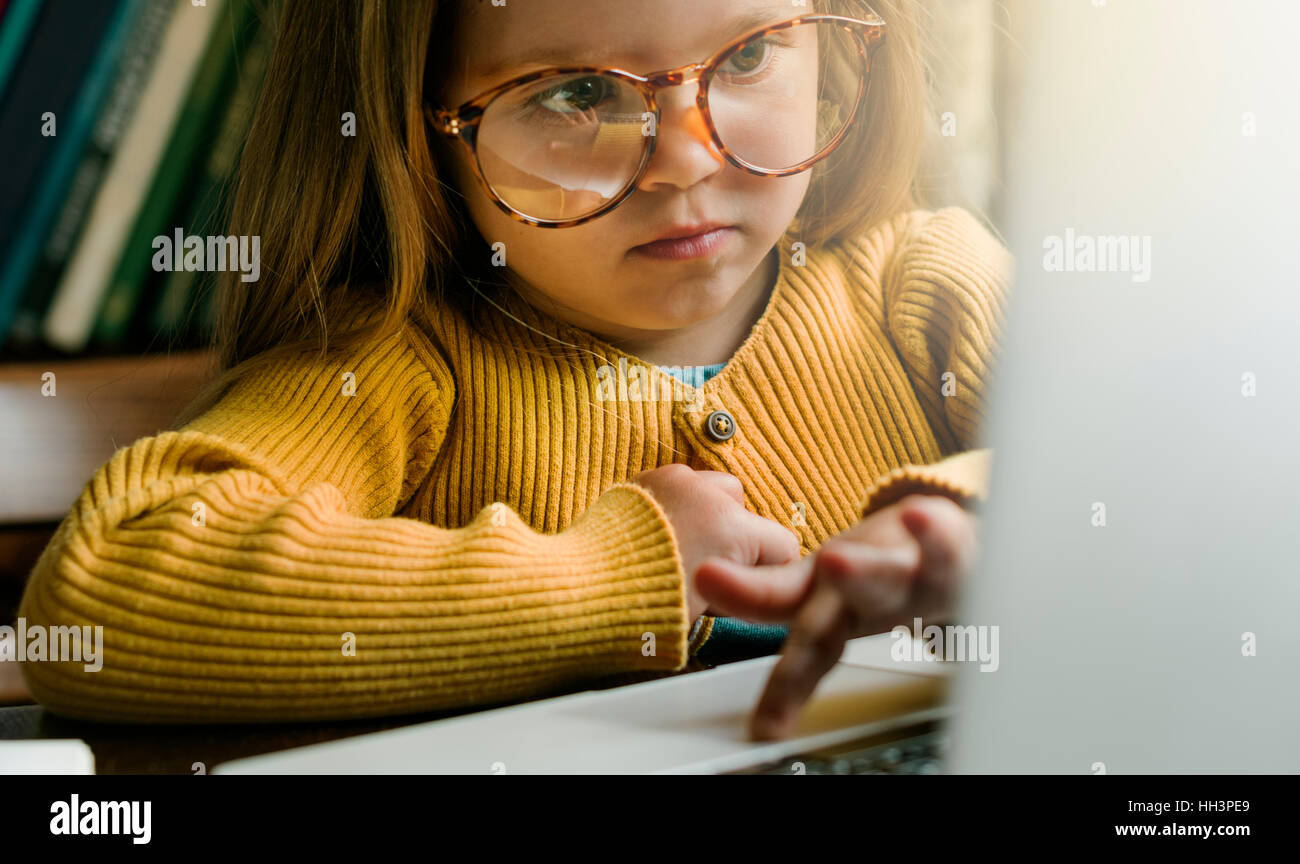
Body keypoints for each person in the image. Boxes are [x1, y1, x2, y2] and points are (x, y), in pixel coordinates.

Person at [19, 0, 1010, 729]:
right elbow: (110, 586)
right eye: (576, 94)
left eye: (747, 55)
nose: (688, 162)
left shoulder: (920, 282)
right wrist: (604, 577)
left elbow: (1144, 465)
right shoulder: (398, 369)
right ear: (419, 135)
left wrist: (970, 526)